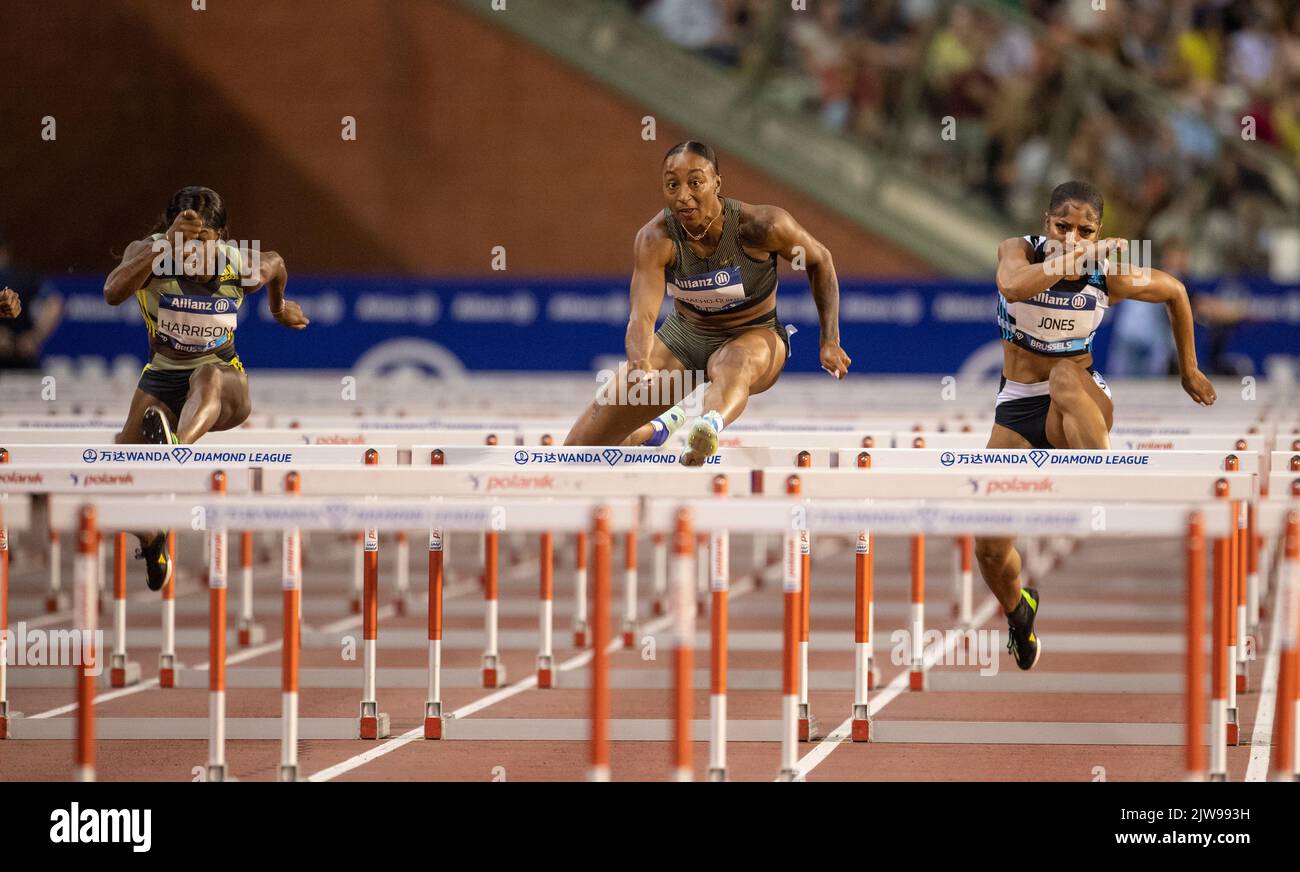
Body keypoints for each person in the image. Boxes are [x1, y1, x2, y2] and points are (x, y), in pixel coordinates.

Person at [980, 180, 1216, 670]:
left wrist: (1189, 368)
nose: (1072, 237)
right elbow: (1013, 286)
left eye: (1084, 231)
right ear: (1046, 224)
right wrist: (1078, 256)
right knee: (987, 546)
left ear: (1098, 231)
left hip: (1082, 399)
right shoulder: (1017, 251)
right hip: (1018, 404)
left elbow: (1174, 291)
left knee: (1066, 375)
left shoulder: (1107, 276)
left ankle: (1104, 486)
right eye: (1062, 226)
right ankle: (1019, 612)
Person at [564, 141, 851, 463]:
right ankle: (655, 431)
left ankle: (708, 426)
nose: (683, 195)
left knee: (733, 363)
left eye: (695, 182)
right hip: (683, 338)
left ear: (717, 182)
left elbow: (820, 260)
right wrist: (639, 363)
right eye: (672, 185)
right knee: (578, 451)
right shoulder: (655, 239)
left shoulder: (762, 226)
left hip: (753, 334)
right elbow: (642, 317)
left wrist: (830, 341)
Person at [103, 185, 309, 589]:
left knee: (207, 375)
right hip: (162, 379)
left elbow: (277, 263)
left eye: (203, 242)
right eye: (186, 243)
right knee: (115, 486)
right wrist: (166, 243)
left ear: (222, 236)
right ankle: (153, 537)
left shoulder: (238, 264)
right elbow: (112, 293)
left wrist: (279, 307)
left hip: (225, 384)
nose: (193, 254)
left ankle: (176, 451)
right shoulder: (149, 254)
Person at [0, 230, 63, 369]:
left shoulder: (23, 278)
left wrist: (34, 337)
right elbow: (54, 303)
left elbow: (54, 303)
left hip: (21, 358)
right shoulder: (24, 277)